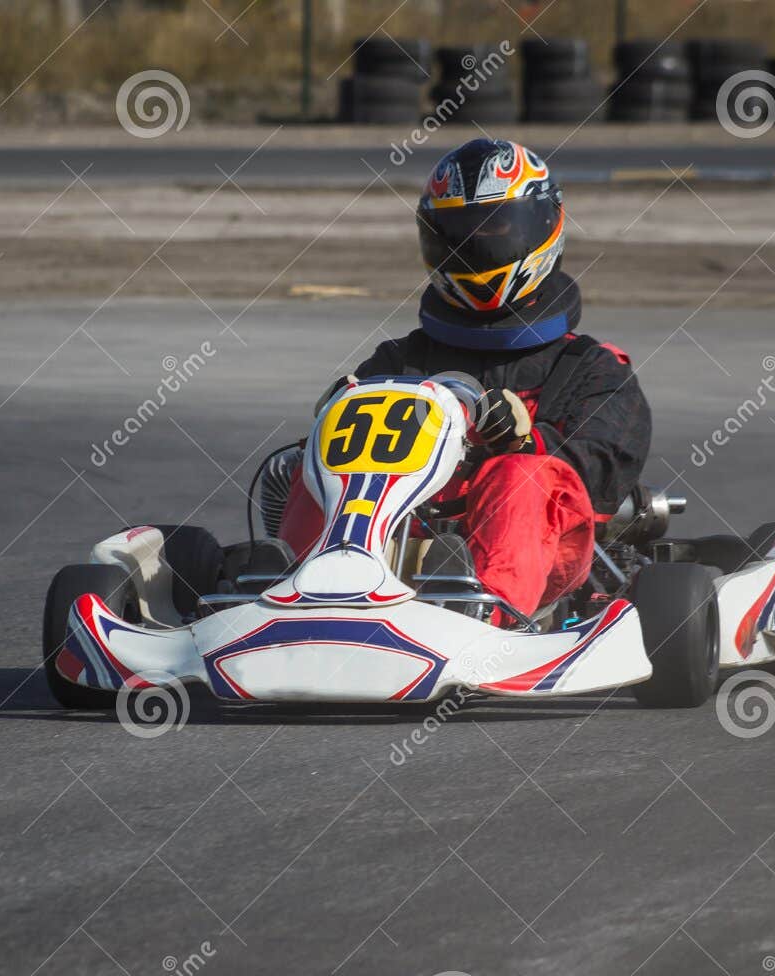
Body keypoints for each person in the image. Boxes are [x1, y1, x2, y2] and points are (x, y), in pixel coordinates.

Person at [278, 138, 652, 618]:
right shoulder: (399, 359)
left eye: (495, 229)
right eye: (457, 235)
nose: (475, 249)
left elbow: (602, 472)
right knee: (326, 464)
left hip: (542, 555)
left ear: (542, 226)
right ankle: (300, 593)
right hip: (400, 537)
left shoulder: (591, 367)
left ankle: (484, 612)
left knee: (519, 475)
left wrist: (527, 442)